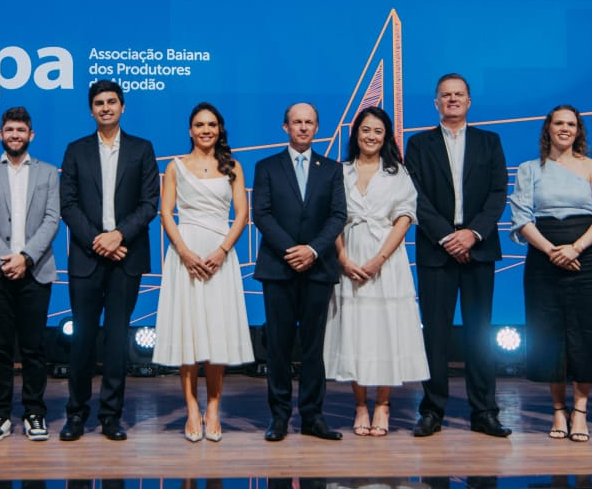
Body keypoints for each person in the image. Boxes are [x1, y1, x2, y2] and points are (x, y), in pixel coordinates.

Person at [404, 73, 512, 438]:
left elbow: (499, 192)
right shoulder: (418, 144)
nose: (452, 99)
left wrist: (472, 234)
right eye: (445, 95)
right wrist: (449, 237)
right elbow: (415, 194)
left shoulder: (490, 141)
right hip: (437, 250)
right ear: (436, 103)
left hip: (479, 249)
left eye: (459, 94)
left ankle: (484, 411)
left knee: (480, 333)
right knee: (435, 335)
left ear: (469, 102)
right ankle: (432, 410)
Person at [58, 80, 159, 442]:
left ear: (122, 107)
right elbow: (67, 203)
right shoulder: (75, 150)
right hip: (87, 258)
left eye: (112, 102)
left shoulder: (142, 149)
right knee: (83, 339)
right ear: (91, 110)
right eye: (99, 103)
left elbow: (150, 203)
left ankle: (111, 416)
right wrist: (98, 241)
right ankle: (76, 414)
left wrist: (119, 236)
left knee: (117, 339)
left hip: (125, 256)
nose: (105, 107)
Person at [510, 105, 592, 442]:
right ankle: (558, 410)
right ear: (548, 129)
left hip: (585, 256)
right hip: (544, 256)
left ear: (578, 130)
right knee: (549, 333)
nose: (565, 129)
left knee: (586, 333)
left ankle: (580, 410)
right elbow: (522, 218)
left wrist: (575, 248)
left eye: (571, 124)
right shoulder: (529, 169)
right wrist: (552, 251)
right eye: (559, 123)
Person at [325, 106, 429, 437]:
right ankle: (359, 405)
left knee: (386, 332)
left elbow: (405, 217)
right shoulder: (339, 172)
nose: (371, 136)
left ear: (386, 137)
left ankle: (383, 404)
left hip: (387, 261)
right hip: (349, 258)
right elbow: (333, 217)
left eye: (378, 131)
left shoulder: (397, 172)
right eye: (365, 130)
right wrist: (343, 259)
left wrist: (379, 259)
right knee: (355, 332)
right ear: (355, 134)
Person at [154, 103, 255, 442]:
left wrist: (223, 250)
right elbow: (166, 213)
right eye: (199, 124)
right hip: (185, 254)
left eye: (212, 124)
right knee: (189, 333)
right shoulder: (175, 167)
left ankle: (213, 407)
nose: (206, 130)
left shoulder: (233, 166)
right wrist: (183, 251)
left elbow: (242, 214)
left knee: (216, 332)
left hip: (219, 255)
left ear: (219, 128)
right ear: (190, 130)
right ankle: (191, 409)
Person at [253, 102, 347, 442]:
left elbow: (338, 215)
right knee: (278, 346)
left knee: (313, 347)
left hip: (318, 266)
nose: (303, 127)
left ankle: (312, 417)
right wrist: (292, 250)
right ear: (285, 127)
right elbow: (261, 214)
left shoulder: (332, 169)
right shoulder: (266, 166)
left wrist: (312, 249)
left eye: (309, 122)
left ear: (317, 127)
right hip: (279, 267)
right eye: (297, 122)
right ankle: (279, 417)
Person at [0, 108, 61, 442]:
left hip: (35, 271)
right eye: (9, 129)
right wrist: (5, 259)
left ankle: (34, 412)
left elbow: (52, 219)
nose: (15, 135)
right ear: (0, 134)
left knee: (34, 348)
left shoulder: (49, 173)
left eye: (21, 129)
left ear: (31, 135)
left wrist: (25, 257)